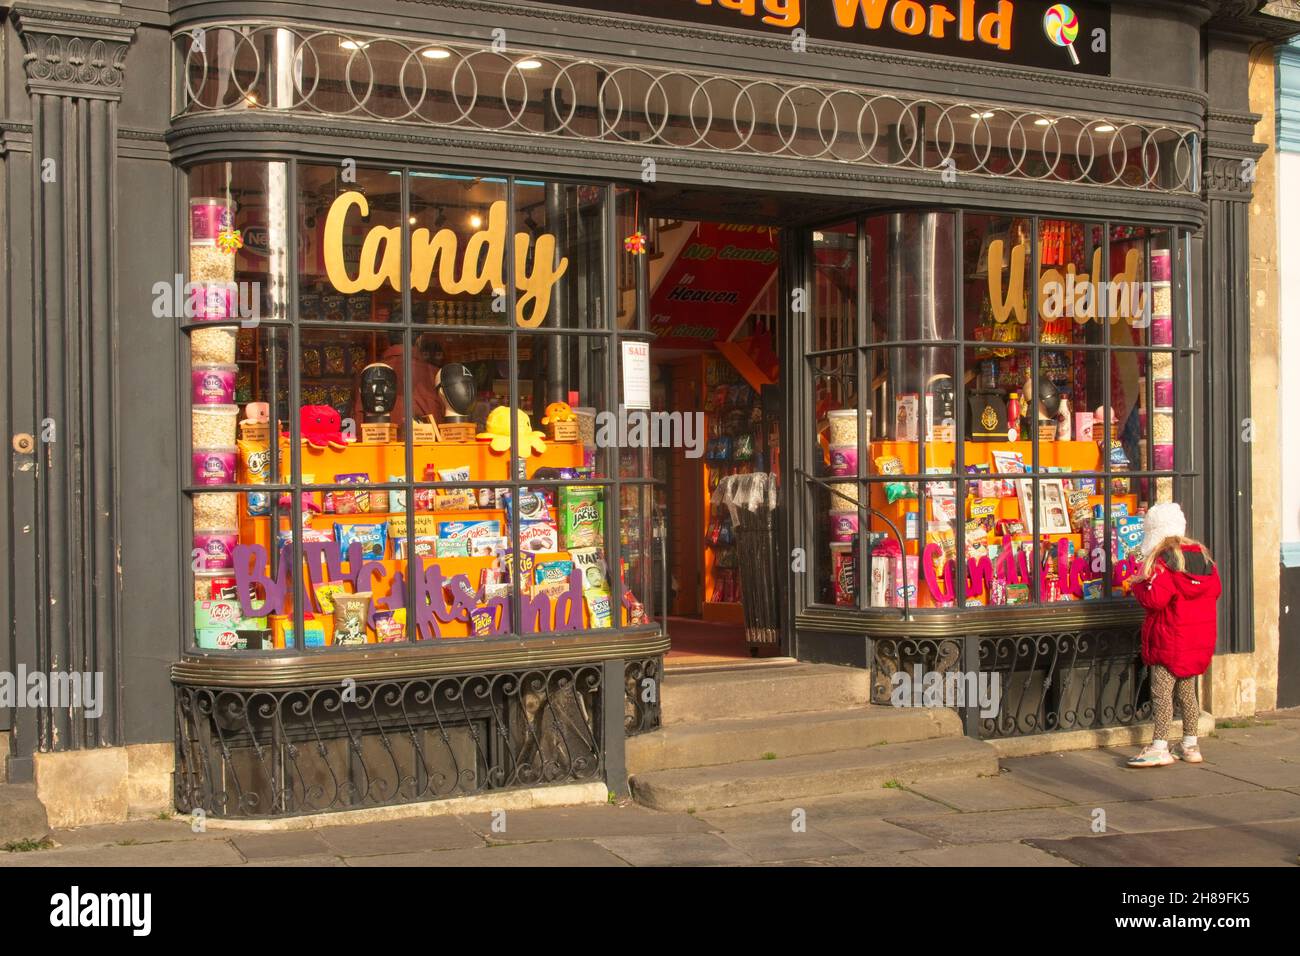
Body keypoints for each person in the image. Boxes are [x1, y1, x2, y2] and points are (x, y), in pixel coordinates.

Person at [1126, 502, 1221, 768]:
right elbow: (1214, 592)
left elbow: (1155, 600)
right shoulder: (1203, 559)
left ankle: (1159, 746)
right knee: (1188, 694)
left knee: (1161, 693)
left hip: (1169, 640)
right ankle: (1190, 744)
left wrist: (1138, 585)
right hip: (1196, 641)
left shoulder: (1163, 562)